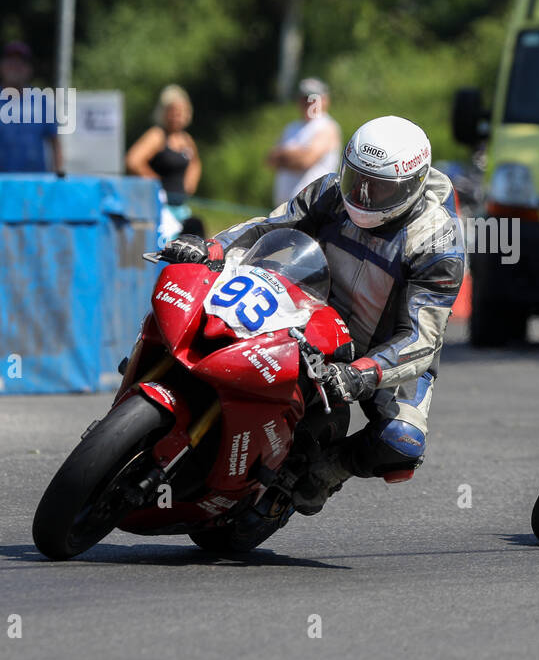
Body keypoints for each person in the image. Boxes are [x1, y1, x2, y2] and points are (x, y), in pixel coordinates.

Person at [158, 115, 464, 514]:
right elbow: (269, 226)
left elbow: (422, 339)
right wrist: (213, 248)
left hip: (386, 348)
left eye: (381, 189)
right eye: (358, 180)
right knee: (213, 315)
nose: (365, 196)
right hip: (308, 306)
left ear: (413, 185)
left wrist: (364, 372)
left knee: (402, 440)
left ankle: (328, 469)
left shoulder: (438, 243)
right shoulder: (331, 192)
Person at [0, 41, 63, 174]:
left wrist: (56, 180)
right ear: (0, 66)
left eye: (21, 63)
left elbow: (55, 142)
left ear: (29, 69)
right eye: (10, 62)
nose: (15, 67)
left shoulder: (41, 101)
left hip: (35, 187)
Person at [125, 85, 203, 243]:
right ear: (164, 112)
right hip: (160, 209)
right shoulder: (157, 135)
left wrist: (190, 183)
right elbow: (133, 161)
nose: (177, 116)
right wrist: (154, 181)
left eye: (181, 111)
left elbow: (195, 163)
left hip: (181, 208)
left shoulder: (186, 139)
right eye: (173, 111)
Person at [268, 77, 342, 207]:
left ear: (325, 100)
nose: (308, 102)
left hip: (311, 211)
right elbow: (271, 159)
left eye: (313, 98)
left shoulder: (327, 126)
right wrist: (298, 154)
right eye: (304, 98)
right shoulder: (291, 127)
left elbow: (306, 160)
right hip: (282, 210)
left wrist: (285, 156)